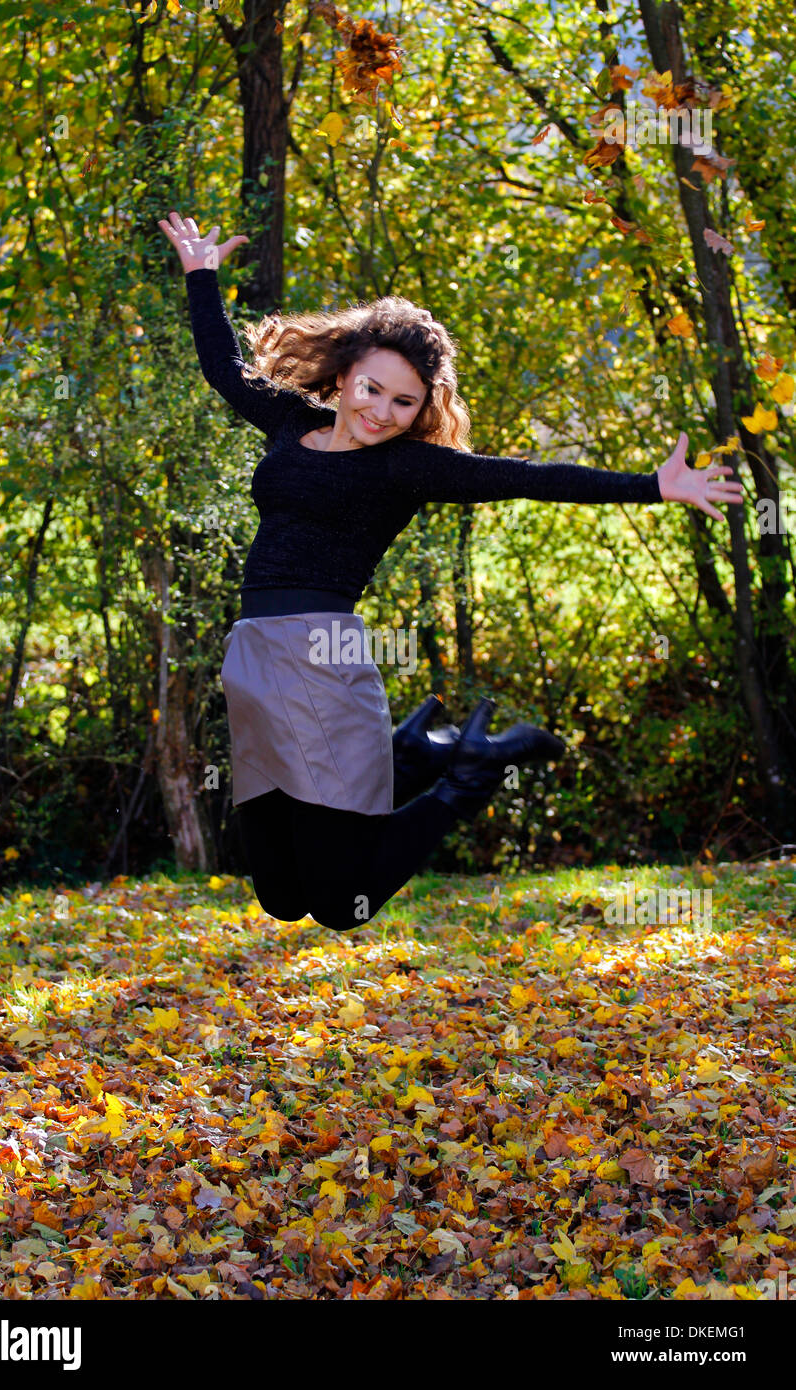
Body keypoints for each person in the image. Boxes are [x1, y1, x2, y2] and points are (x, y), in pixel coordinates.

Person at [158, 212, 744, 931]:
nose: (381, 411)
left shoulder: (405, 467)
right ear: (343, 376)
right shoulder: (287, 422)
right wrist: (201, 276)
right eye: (371, 389)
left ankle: (465, 778)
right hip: (251, 659)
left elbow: (531, 478)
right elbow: (222, 368)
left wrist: (653, 485)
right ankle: (408, 754)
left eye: (404, 403)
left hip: (321, 658)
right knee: (282, 899)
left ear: (420, 412)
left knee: (342, 904)